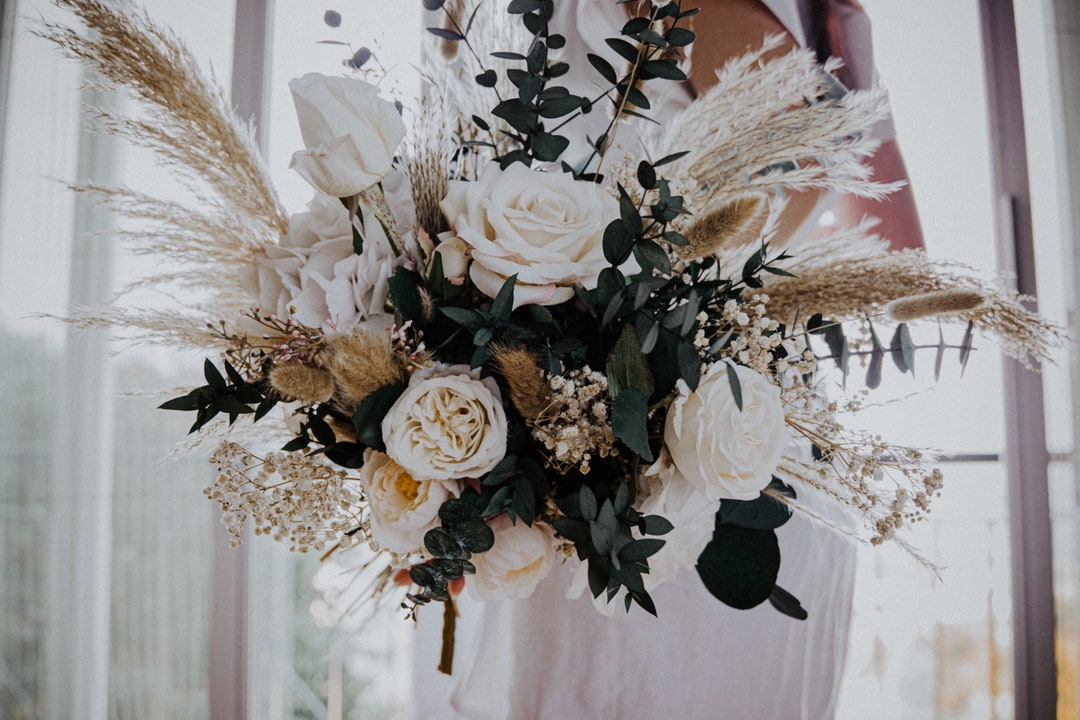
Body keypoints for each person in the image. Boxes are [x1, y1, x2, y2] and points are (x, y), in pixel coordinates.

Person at [412, 2, 924, 718]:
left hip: (694, 474)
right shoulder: (498, 26)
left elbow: (852, 218)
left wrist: (624, 336)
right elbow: (896, 248)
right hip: (604, 475)